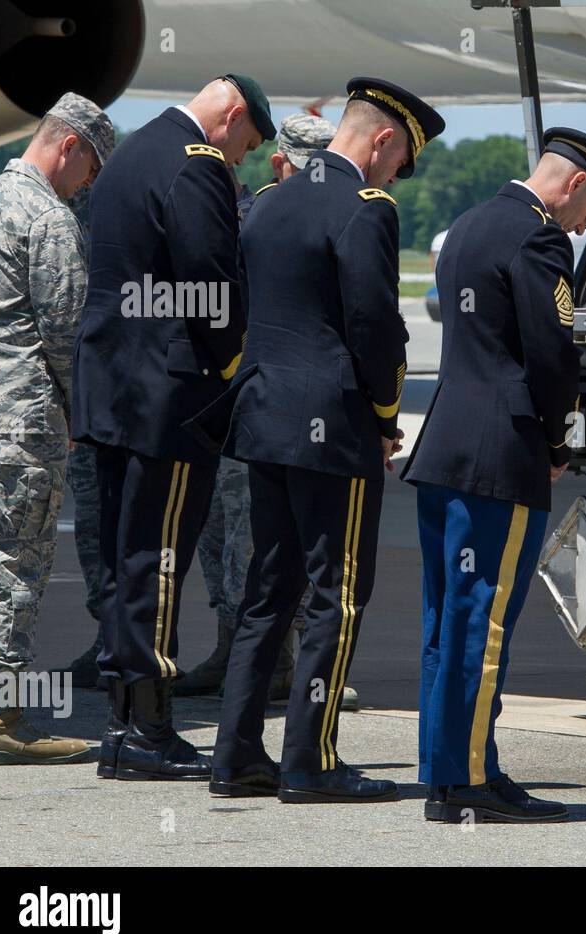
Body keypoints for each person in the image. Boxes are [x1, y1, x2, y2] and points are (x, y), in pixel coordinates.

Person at [201, 77, 443, 804]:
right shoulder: (364, 210)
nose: (392, 175)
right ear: (383, 140)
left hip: (265, 417)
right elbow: (374, 328)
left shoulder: (270, 204)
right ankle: (310, 757)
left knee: (265, 595)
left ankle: (237, 753)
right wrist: (383, 416)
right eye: (398, 161)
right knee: (335, 595)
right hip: (331, 430)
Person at [402, 128, 586, 822]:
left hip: (446, 443)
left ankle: (447, 770)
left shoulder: (471, 224)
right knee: (484, 620)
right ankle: (470, 779)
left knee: (446, 618)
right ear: (573, 183)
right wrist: (558, 437)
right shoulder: (538, 240)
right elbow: (551, 355)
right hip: (500, 454)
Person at [72, 74, 273, 782]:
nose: (239, 159)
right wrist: (238, 370)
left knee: (131, 559)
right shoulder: (196, 164)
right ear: (234, 115)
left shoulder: (129, 152)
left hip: (115, 391)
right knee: (159, 563)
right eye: (245, 145)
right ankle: (149, 731)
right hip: (170, 399)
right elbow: (214, 286)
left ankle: (125, 726)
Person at [178, 112, 355, 710]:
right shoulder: (261, 216)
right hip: (258, 399)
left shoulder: (263, 215)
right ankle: (246, 651)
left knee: (256, 541)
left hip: (257, 401)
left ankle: (273, 657)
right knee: (233, 536)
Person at [0, 93, 114, 764]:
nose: (88, 185)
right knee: (15, 569)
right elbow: (65, 332)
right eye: (91, 169)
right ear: (70, 147)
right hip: (21, 421)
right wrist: (80, 412)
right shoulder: (47, 219)